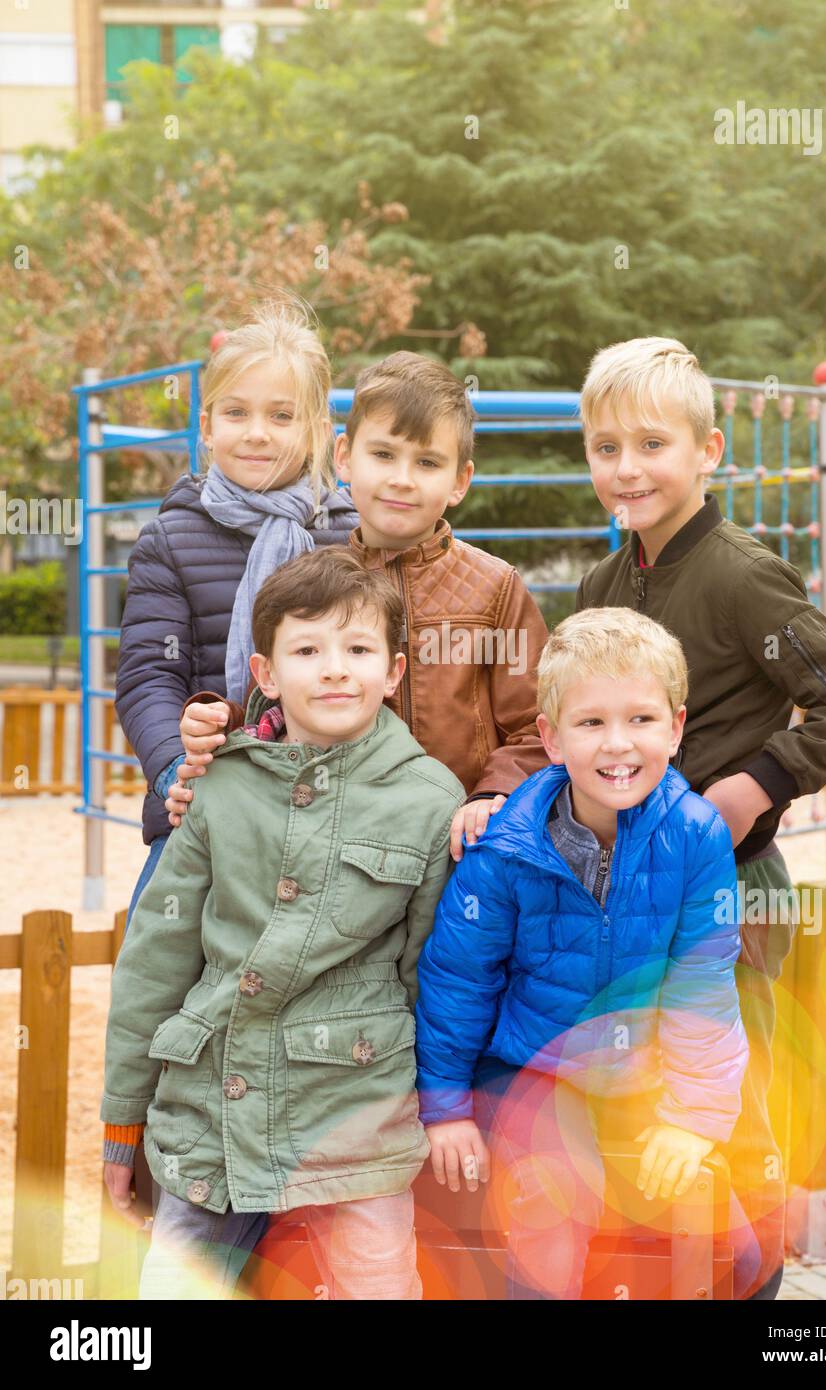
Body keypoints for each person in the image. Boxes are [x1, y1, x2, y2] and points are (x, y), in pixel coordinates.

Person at [573, 337, 826, 1298]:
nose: (625, 468)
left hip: (731, 892)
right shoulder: (601, 586)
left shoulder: (741, 574)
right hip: (628, 888)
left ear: (708, 449)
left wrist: (759, 781)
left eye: (650, 444)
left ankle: (753, 1291)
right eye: (603, 447)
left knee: (732, 1104)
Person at [101, 548, 466, 1300]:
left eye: (358, 649)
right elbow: (156, 960)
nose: (335, 669)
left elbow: (431, 975)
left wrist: (443, 1107)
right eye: (308, 650)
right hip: (210, 1117)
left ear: (393, 673)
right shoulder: (220, 787)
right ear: (266, 673)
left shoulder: (430, 800)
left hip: (354, 1119)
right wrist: (121, 1122)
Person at [414, 608, 761, 1300]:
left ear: (676, 727)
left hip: (643, 1068)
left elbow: (701, 980)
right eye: (591, 722)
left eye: (639, 719)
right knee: (553, 1203)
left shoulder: (695, 837)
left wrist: (689, 1120)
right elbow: (459, 980)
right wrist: (445, 1108)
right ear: (549, 737)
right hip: (531, 1070)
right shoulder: (503, 850)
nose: (617, 745)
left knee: (745, 1255)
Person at [168, 350, 549, 862]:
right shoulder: (313, 577)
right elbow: (278, 707)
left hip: (458, 838)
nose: (402, 479)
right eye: (384, 455)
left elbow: (538, 723)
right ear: (344, 457)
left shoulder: (495, 588)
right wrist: (220, 717)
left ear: (460, 480)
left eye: (428, 463)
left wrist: (490, 793)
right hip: (335, 841)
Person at [114, 298, 358, 930]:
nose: (258, 432)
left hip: (330, 791)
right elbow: (148, 677)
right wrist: (176, 759)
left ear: (314, 427)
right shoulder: (171, 539)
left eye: (282, 415)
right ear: (207, 425)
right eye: (237, 412)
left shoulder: (346, 536)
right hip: (210, 788)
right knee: (158, 958)